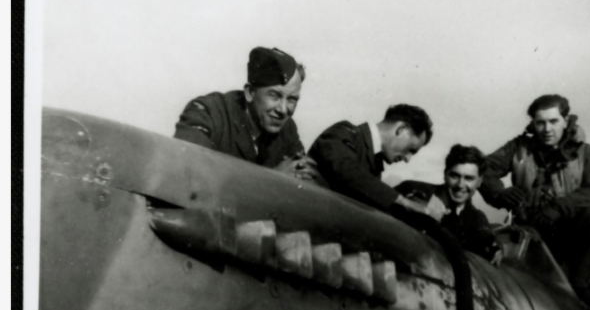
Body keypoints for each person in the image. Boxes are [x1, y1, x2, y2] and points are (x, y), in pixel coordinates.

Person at [479, 94, 590, 304]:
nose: (547, 129)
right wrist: (500, 194)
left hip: (569, 232)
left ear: (566, 121)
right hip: (530, 232)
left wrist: (559, 207)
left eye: (553, 121)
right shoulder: (517, 148)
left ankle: (580, 282)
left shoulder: (585, 152)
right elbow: (482, 169)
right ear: (533, 123)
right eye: (540, 123)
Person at [174, 46, 317, 181]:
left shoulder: (287, 129)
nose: (283, 110)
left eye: (292, 99)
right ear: (250, 93)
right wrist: (273, 178)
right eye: (274, 96)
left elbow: (308, 182)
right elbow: (187, 173)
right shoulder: (208, 112)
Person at [308, 104, 445, 221]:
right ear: (401, 129)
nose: (408, 159)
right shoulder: (344, 132)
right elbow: (347, 171)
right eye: (411, 149)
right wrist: (404, 202)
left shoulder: (375, 165)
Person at [395, 145, 501, 262]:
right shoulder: (411, 189)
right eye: (454, 176)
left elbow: (489, 243)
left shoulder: (477, 219)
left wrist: (496, 249)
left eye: (469, 178)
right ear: (445, 174)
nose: (460, 185)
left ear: (479, 182)